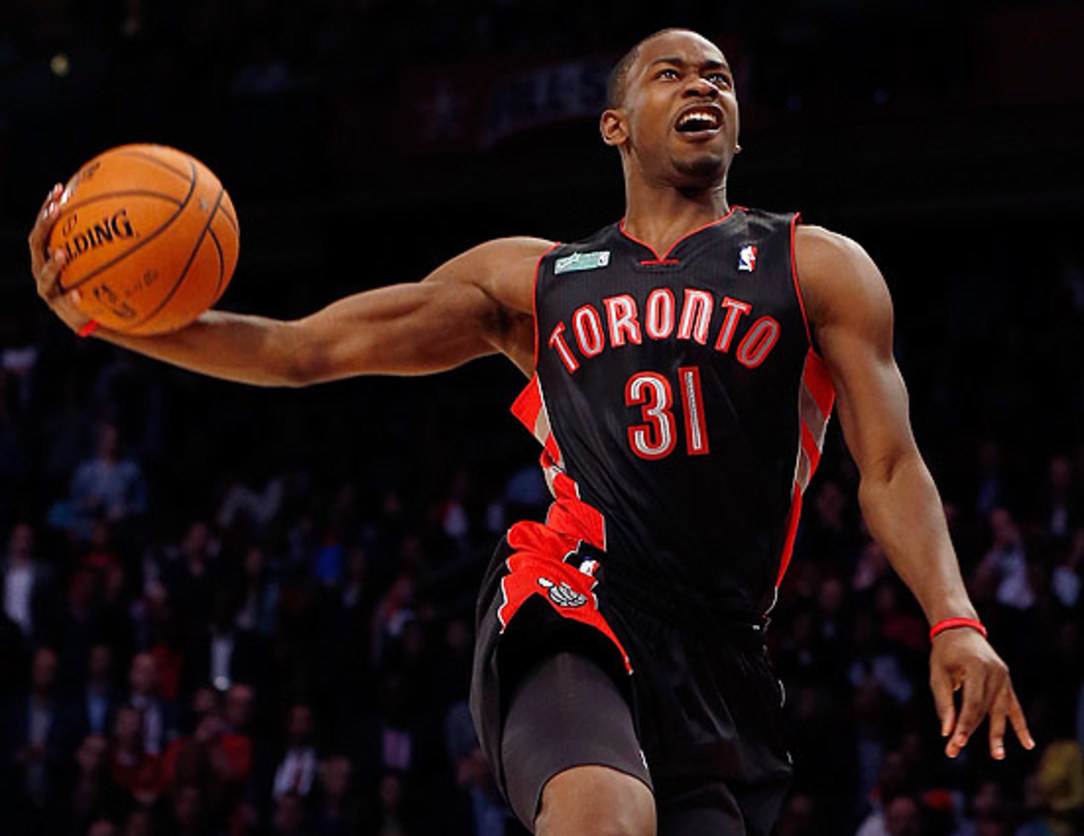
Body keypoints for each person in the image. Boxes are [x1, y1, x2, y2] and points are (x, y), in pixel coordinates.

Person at [30, 28, 1033, 836]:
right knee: (604, 817)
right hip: (575, 595)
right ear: (615, 126)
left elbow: (889, 464)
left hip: (722, 653)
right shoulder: (535, 281)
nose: (704, 84)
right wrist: (100, 318)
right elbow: (303, 349)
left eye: (720, 76)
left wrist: (954, 617)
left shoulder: (817, 266)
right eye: (672, 72)